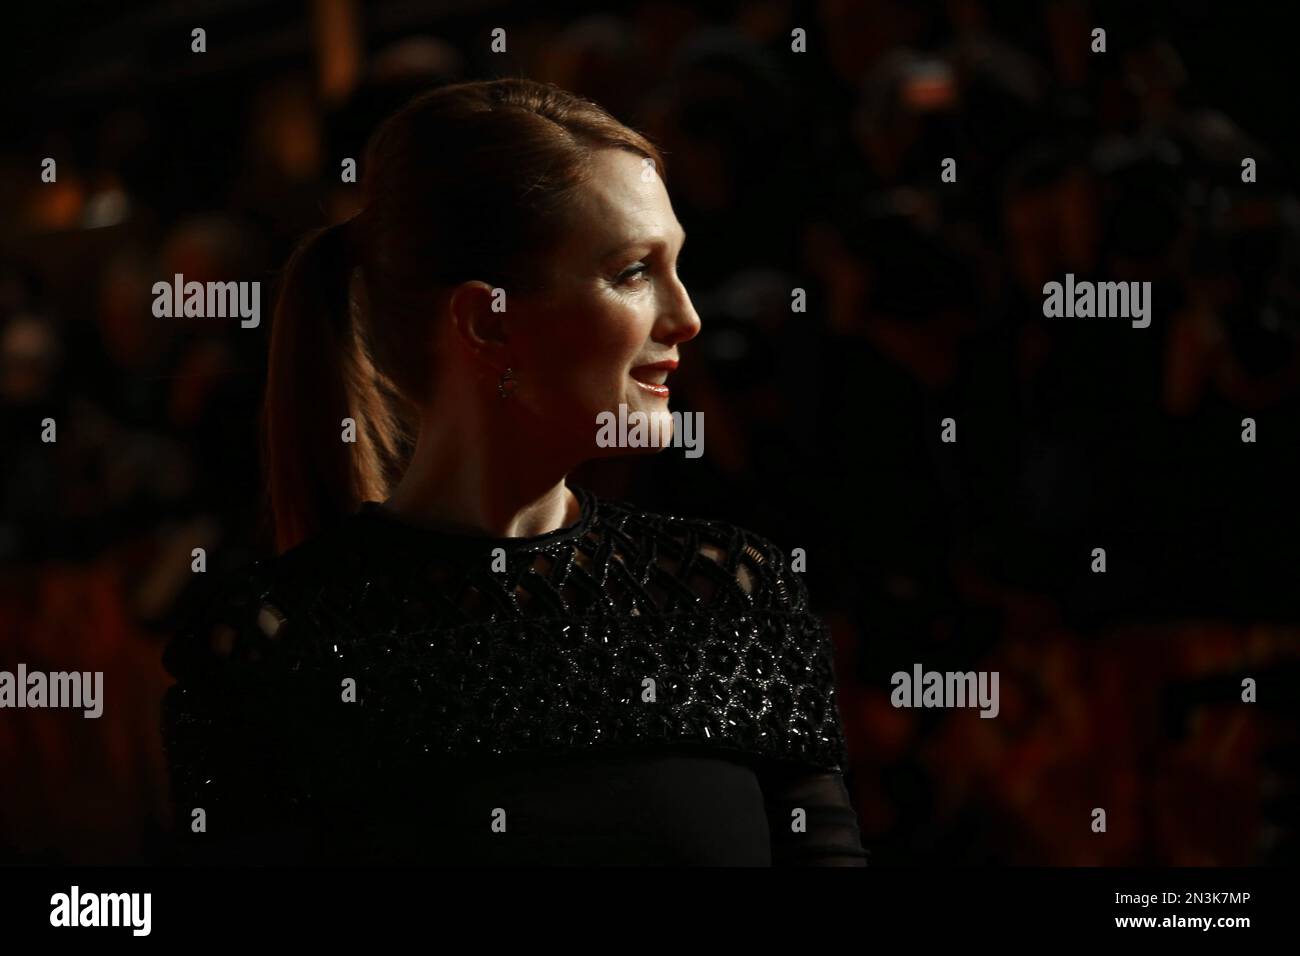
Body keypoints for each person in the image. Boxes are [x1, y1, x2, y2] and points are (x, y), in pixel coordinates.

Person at [160, 78, 867, 866]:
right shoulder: (272, 648)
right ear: (486, 319)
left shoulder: (730, 593)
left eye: (677, 265)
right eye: (635, 270)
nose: (687, 315)